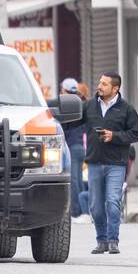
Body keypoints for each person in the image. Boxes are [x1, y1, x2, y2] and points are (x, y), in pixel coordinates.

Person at [83, 72, 138, 254]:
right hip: (94, 163)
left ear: (115, 88)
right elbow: (72, 123)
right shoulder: (89, 106)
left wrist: (114, 136)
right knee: (96, 207)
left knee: (113, 203)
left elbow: (135, 133)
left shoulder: (127, 109)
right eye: (100, 82)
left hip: (116, 164)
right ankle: (101, 241)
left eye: (105, 84)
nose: (99, 86)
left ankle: (113, 240)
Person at [58, 77, 89, 221]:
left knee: (74, 179)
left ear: (65, 91)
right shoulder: (81, 105)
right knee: (77, 179)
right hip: (79, 148)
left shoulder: (68, 107)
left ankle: (77, 212)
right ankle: (84, 210)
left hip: (73, 148)